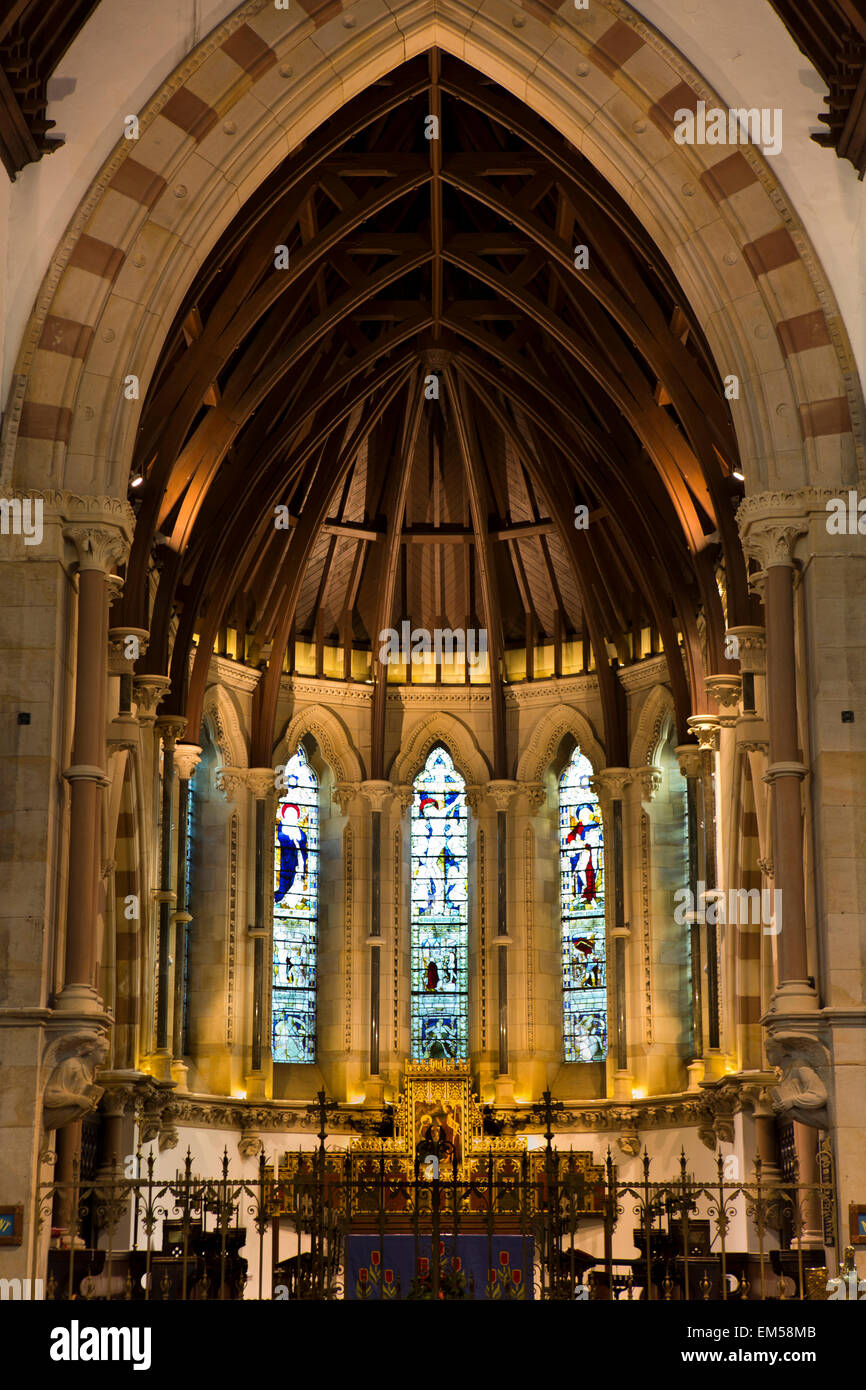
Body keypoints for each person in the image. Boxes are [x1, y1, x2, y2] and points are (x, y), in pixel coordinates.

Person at [275, 802, 307, 905]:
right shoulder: (280, 828)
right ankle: (282, 894)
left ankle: (296, 893)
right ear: (284, 815)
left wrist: (297, 840)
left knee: (296, 878)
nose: (291, 817)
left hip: (297, 860)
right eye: (289, 814)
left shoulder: (299, 831)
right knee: (284, 878)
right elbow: (279, 839)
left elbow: (303, 842)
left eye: (293, 815)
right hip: (284, 859)